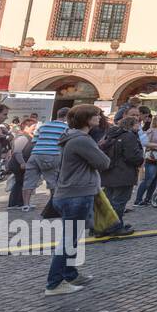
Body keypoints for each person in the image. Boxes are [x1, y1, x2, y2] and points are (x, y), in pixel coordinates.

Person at [44, 104, 112, 296]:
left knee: (71, 239)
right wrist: (98, 150)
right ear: (87, 119)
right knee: (69, 240)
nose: (99, 118)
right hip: (77, 195)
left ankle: (70, 274)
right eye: (96, 116)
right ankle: (54, 283)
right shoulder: (82, 139)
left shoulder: (71, 137)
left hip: (68, 193)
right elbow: (104, 162)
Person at [97, 113, 142, 236]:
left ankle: (102, 227)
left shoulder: (111, 134)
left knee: (109, 202)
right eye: (138, 123)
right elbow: (132, 156)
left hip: (108, 173)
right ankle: (115, 227)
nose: (140, 126)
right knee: (119, 202)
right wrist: (140, 160)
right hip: (124, 173)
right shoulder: (129, 136)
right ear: (132, 125)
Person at [27, 107, 69, 202]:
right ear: (66, 116)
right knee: (52, 180)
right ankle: (54, 202)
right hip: (53, 154)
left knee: (29, 180)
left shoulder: (43, 125)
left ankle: (25, 204)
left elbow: (34, 141)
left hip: (35, 154)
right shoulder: (66, 127)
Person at [6, 116, 39, 210]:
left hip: (21, 164)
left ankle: (19, 202)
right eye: (34, 126)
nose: (35, 128)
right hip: (17, 164)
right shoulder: (23, 138)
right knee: (20, 182)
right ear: (26, 127)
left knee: (21, 182)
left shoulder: (29, 137)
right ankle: (15, 203)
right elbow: (17, 152)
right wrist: (22, 163)